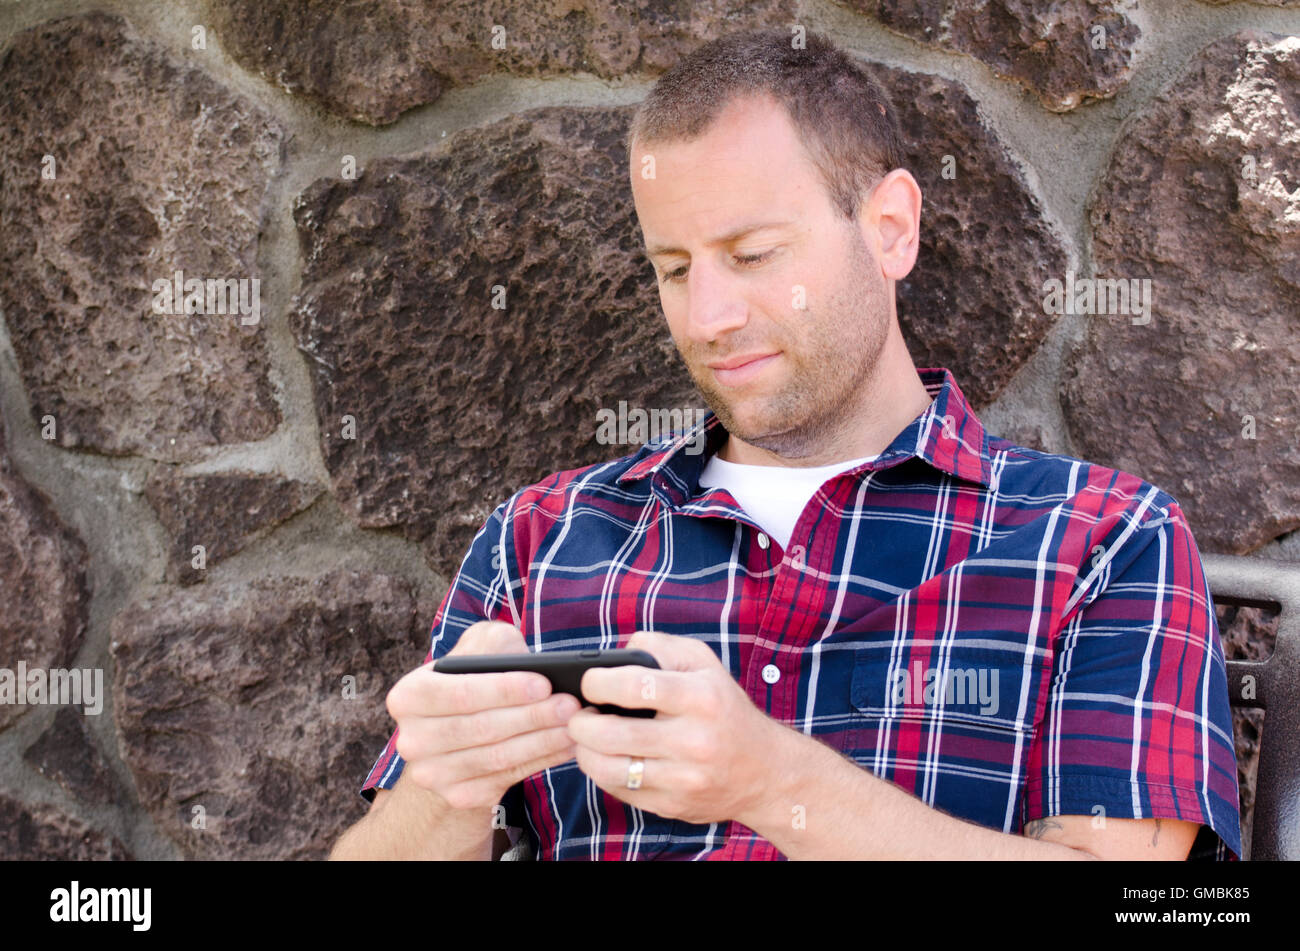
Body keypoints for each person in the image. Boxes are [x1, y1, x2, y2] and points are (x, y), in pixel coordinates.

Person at [329, 28, 1240, 861]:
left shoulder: (1102, 538)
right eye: (675, 270)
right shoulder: (547, 535)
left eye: (754, 252)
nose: (710, 316)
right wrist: (451, 791)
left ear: (889, 228)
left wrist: (774, 782)